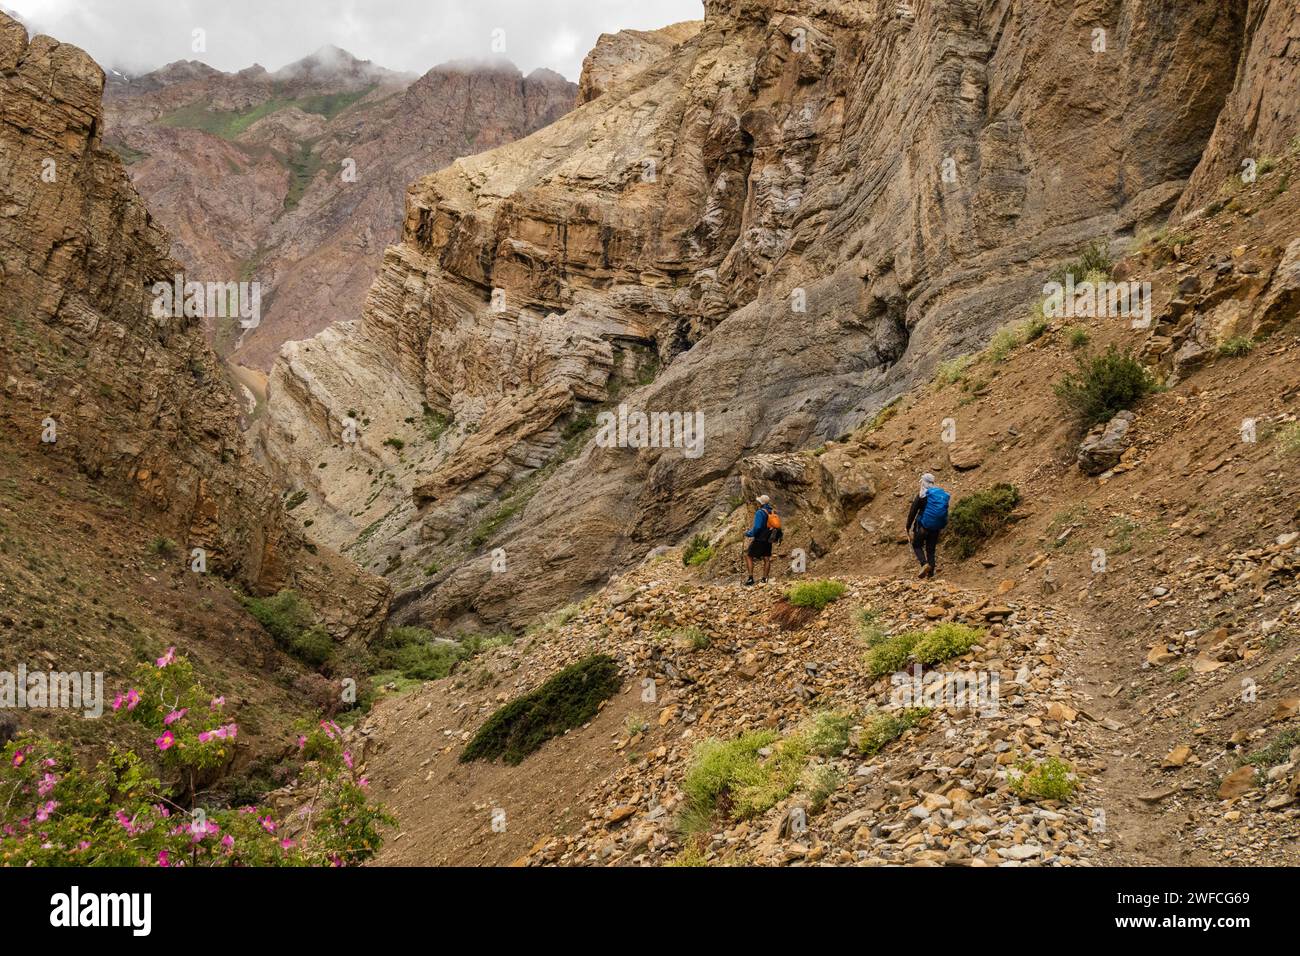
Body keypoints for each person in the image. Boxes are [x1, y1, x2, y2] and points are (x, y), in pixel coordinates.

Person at [905, 473, 949, 579]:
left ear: (923, 482)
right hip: (935, 527)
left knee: (916, 545)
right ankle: (931, 576)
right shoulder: (939, 495)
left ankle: (924, 564)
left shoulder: (922, 495)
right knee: (931, 550)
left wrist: (908, 527)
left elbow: (913, 512)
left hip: (922, 526)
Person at [743, 494, 777, 586]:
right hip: (769, 538)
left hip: (760, 538)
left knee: (749, 556)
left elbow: (757, 527)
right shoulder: (771, 511)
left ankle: (750, 578)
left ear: (760, 503)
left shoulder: (760, 512)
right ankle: (764, 579)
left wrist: (748, 533)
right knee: (766, 558)